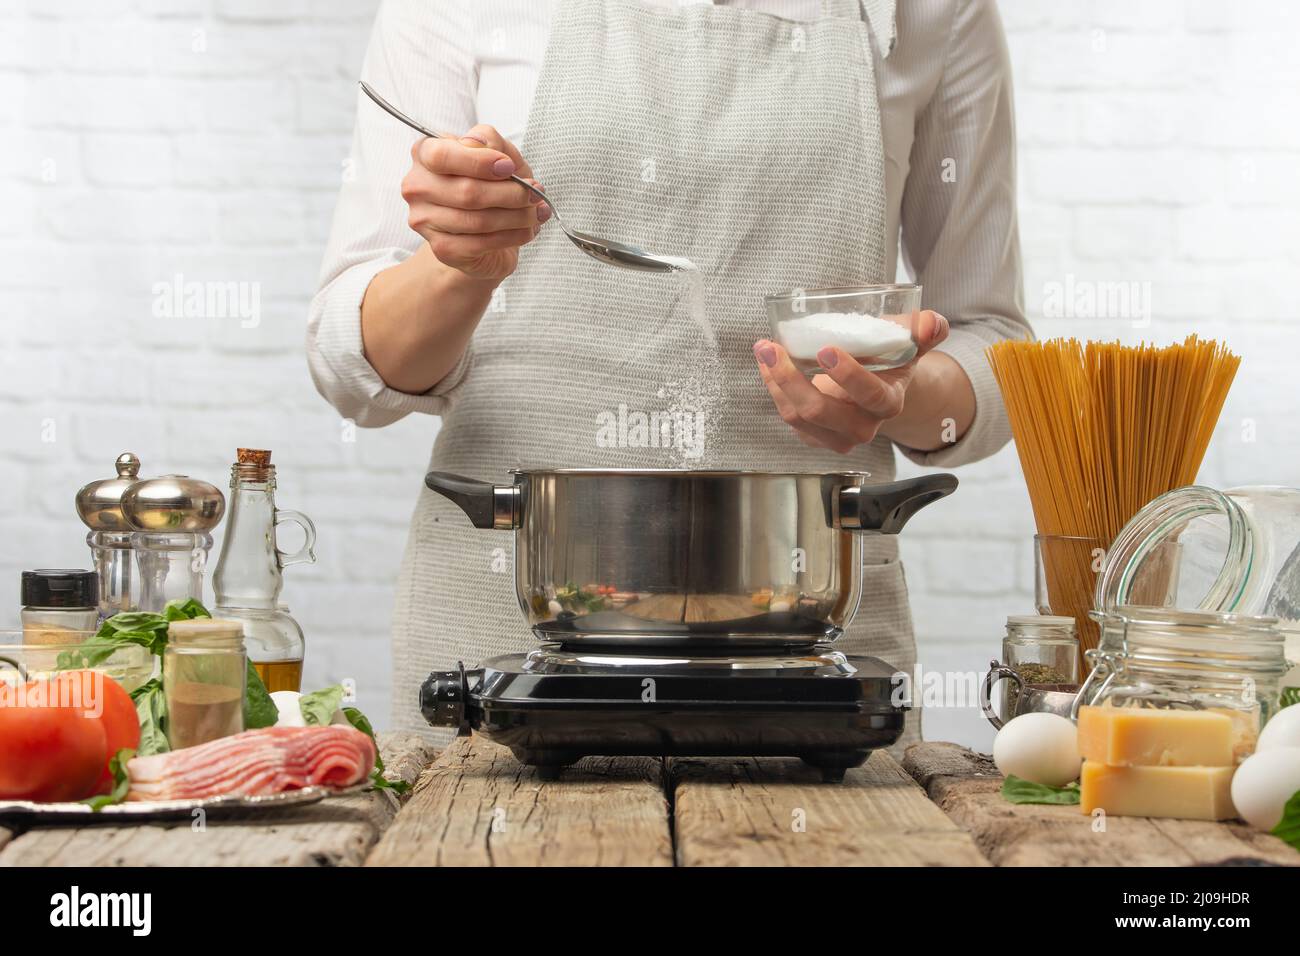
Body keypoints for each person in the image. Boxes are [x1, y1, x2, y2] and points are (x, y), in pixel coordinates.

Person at [308, 0, 1031, 746]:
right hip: (503, 615)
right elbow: (349, 369)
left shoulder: (933, 12)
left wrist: (897, 397)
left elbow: (995, 342)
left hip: (809, 648)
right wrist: (459, 270)